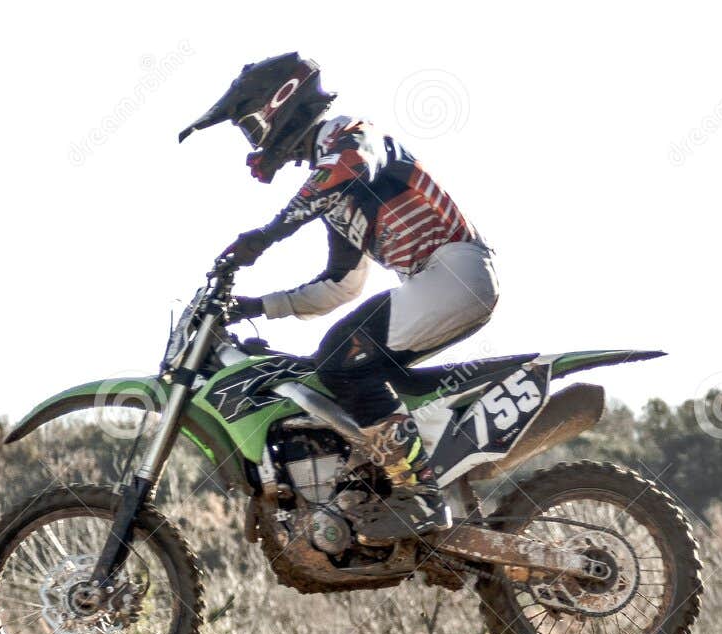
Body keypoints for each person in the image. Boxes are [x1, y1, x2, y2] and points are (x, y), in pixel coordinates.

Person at [179, 53, 497, 534]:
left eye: (250, 124)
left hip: (453, 273)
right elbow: (341, 285)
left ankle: (420, 495)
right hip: (441, 283)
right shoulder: (337, 199)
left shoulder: (351, 134)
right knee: (333, 369)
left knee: (338, 360)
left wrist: (266, 236)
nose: (253, 139)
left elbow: (346, 167)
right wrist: (258, 307)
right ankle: (375, 485)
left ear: (279, 103)